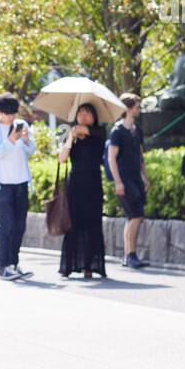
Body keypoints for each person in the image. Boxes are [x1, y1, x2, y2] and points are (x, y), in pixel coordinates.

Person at [0, 92, 36, 280]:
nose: (12, 117)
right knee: (6, 225)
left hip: (21, 182)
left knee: (20, 226)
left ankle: (14, 263)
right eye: (8, 114)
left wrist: (27, 140)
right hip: (2, 184)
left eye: (14, 113)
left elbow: (30, 151)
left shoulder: (21, 126)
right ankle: (3, 266)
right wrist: (10, 141)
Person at [57, 102, 107, 278]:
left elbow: (90, 132)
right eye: (80, 113)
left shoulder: (100, 131)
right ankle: (68, 266)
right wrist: (70, 137)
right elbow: (61, 158)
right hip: (75, 183)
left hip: (93, 183)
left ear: (94, 116)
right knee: (73, 224)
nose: (83, 116)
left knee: (92, 223)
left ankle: (90, 266)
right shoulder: (66, 131)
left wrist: (80, 129)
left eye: (87, 113)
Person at [106, 92, 149, 269]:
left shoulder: (136, 130)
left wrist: (144, 175)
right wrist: (118, 181)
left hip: (135, 177)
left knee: (133, 217)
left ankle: (129, 255)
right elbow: (111, 158)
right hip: (124, 178)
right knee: (136, 215)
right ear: (129, 109)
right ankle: (130, 254)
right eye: (137, 106)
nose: (139, 109)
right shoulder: (117, 131)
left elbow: (139, 155)